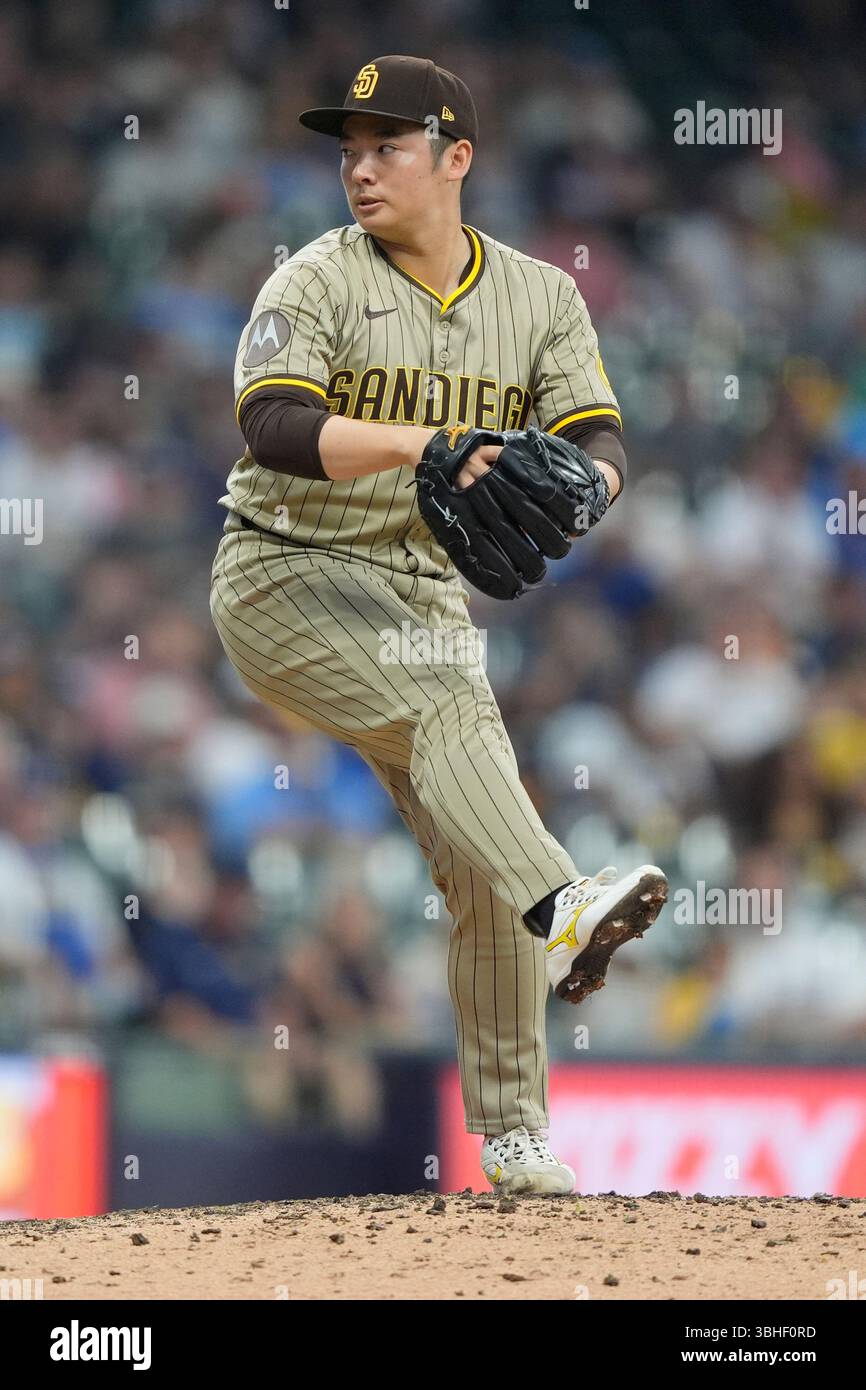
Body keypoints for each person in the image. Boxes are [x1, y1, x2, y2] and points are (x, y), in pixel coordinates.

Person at [210, 54, 667, 1194]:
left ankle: (512, 1138)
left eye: (387, 146)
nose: (358, 169)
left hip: (415, 592)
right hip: (284, 572)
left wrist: (588, 490)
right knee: (448, 705)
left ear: (455, 158)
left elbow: (603, 442)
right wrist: (423, 444)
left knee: (477, 857)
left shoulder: (538, 296)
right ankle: (565, 903)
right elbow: (271, 424)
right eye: (348, 150)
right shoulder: (313, 279)